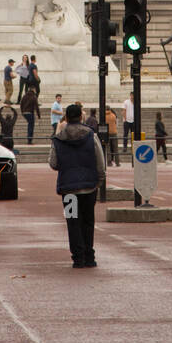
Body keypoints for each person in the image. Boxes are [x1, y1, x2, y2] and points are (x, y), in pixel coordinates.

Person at [49, 103, 106, 269]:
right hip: (89, 188)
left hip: (68, 190)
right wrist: (99, 181)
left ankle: (77, 258)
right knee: (88, 221)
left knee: (72, 222)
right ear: (81, 117)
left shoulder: (58, 138)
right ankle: (89, 256)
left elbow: (53, 163)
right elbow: (100, 161)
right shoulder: (91, 135)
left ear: (66, 117)